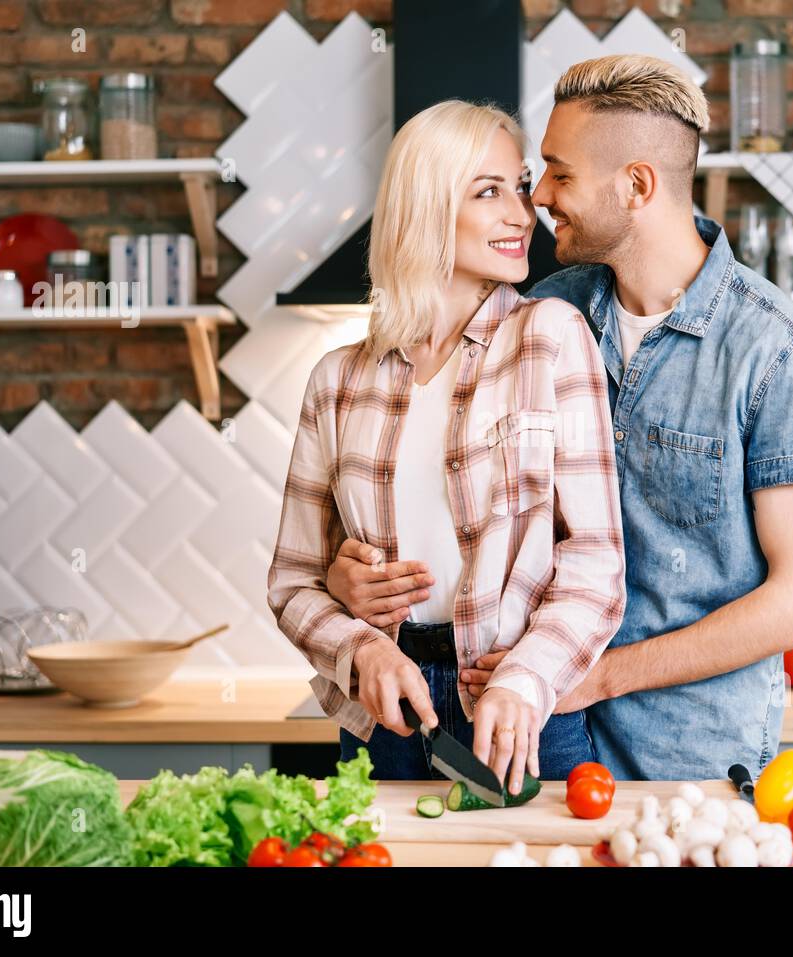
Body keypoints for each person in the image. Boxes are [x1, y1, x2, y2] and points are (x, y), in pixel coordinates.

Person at [325, 55, 793, 783]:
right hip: (524, 725)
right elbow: (461, 508)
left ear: (637, 185)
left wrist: (597, 675)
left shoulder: (773, 350)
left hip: (682, 754)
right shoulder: (544, 311)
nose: (537, 197)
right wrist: (347, 579)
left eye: (558, 174)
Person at [267, 100, 625, 795]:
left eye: (521, 188)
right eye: (488, 191)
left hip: (520, 707)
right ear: (425, 206)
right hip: (386, 719)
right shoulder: (336, 380)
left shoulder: (550, 337)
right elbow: (293, 582)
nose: (523, 214)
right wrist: (361, 650)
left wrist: (526, 679)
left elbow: (595, 560)